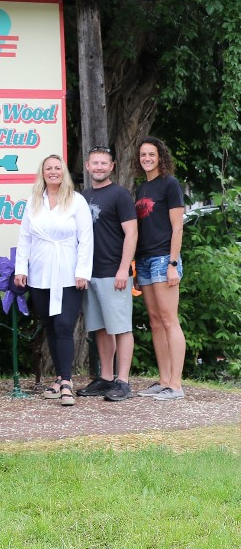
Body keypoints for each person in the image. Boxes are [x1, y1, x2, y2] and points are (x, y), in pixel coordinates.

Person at [14, 154, 93, 407]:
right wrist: (20, 269)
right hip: (40, 274)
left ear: (64, 172)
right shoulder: (34, 201)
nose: (53, 172)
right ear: (43, 173)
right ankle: (59, 378)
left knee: (64, 325)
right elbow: (24, 237)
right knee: (49, 326)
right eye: (48, 168)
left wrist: (82, 271)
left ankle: (67, 382)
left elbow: (86, 238)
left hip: (69, 274)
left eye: (57, 168)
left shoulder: (76, 201)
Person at [78, 147, 138, 402]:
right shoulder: (81, 197)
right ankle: (106, 378)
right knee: (100, 328)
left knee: (121, 327)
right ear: (88, 166)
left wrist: (124, 269)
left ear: (112, 166)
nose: (99, 167)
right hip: (90, 273)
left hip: (114, 272)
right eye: (95, 163)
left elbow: (132, 233)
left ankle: (123, 382)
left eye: (104, 163)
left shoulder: (120, 195)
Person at [133, 136, 186, 401]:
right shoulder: (142, 189)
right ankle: (164, 380)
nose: (147, 159)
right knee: (154, 322)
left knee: (169, 320)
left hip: (164, 259)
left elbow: (178, 226)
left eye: (151, 154)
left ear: (160, 156)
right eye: (143, 155)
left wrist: (173, 264)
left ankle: (176, 385)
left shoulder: (170, 184)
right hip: (143, 260)